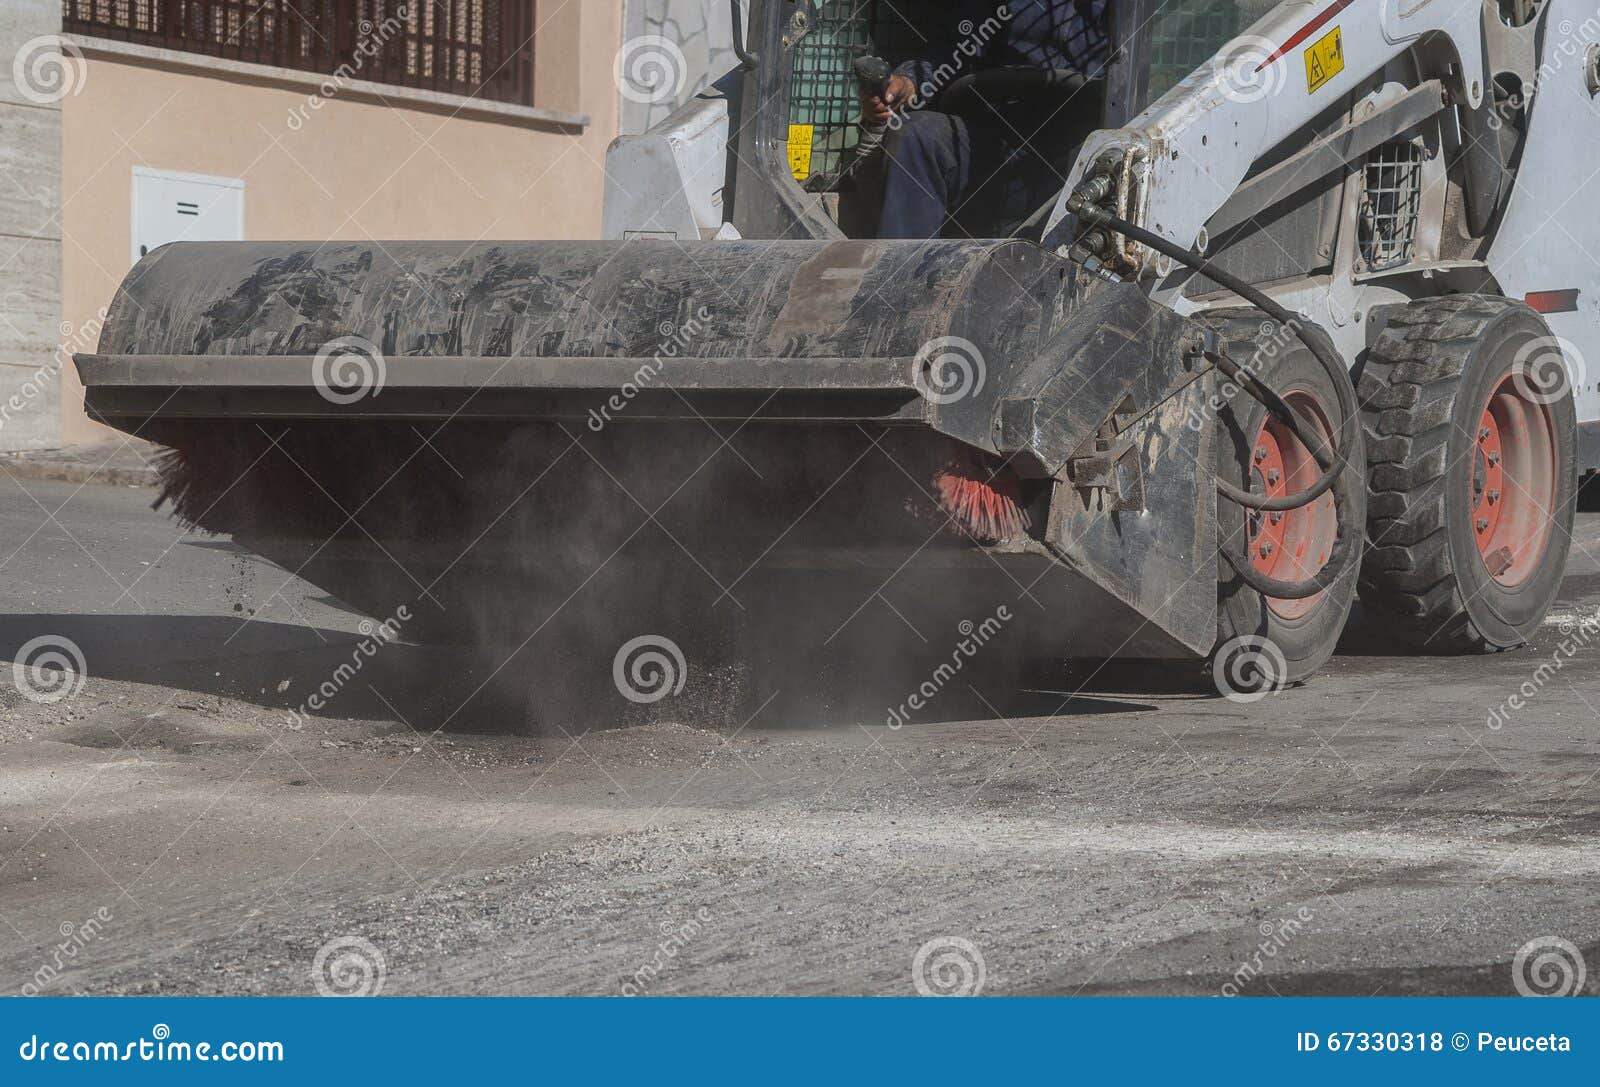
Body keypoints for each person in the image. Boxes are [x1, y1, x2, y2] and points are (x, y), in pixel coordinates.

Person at [862, 0, 1112, 239]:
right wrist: (909, 82)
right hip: (992, 144)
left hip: (1078, 158)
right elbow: (949, 51)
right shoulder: (995, 6)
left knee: (1105, 157)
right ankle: (900, 273)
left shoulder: (1124, 14)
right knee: (916, 135)